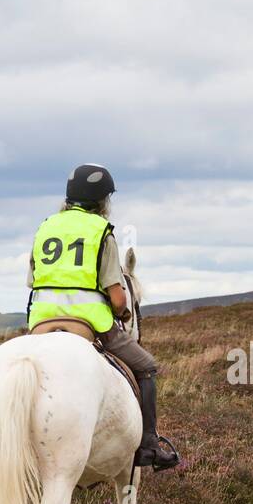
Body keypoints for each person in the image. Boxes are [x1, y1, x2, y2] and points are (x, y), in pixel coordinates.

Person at [25, 163, 180, 470]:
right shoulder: (100, 231)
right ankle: (148, 446)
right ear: (102, 201)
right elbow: (118, 296)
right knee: (147, 367)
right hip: (89, 321)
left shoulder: (45, 228)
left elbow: (32, 280)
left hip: (40, 322)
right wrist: (122, 310)